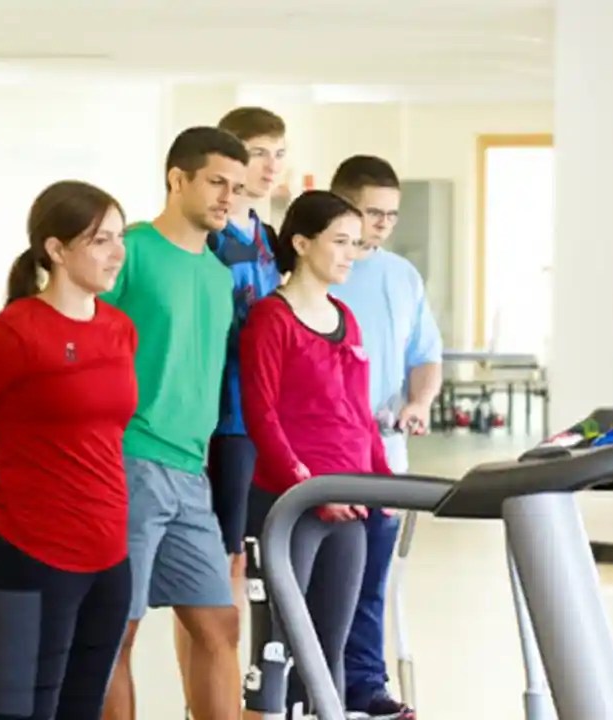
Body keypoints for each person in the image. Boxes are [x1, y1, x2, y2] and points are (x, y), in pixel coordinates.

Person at [0, 180, 135, 719]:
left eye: (119, 237)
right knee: (15, 710)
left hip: (108, 555)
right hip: (29, 552)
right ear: (56, 249)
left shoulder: (119, 329)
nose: (117, 253)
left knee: (81, 709)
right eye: (100, 240)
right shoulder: (13, 333)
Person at [100, 126, 247, 720]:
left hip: (191, 471)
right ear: (177, 179)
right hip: (129, 457)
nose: (228, 197)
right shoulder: (129, 251)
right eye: (216, 182)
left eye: (236, 187)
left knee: (219, 625)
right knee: (117, 630)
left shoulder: (219, 275)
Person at [240, 189, 387, 711]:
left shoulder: (346, 316)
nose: (351, 255)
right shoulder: (271, 319)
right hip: (291, 504)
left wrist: (384, 484)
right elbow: (262, 415)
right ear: (302, 243)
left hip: (348, 505)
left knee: (329, 649)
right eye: (340, 242)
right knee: (280, 647)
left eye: (356, 244)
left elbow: (360, 414)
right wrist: (307, 487)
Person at [329, 156, 443, 720]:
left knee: (372, 583)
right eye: (372, 213)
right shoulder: (317, 272)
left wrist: (418, 403)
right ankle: (313, 686)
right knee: (326, 584)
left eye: (391, 216)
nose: (382, 225)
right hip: (324, 459)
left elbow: (425, 357)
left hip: (384, 457)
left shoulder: (402, 276)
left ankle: (365, 688)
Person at [189, 106, 286, 698]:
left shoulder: (269, 240)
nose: (270, 166)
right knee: (217, 568)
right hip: (222, 419)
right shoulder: (207, 241)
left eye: (279, 153)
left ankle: (239, 694)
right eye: (258, 153)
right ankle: (208, 697)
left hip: (265, 417)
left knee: (250, 562)